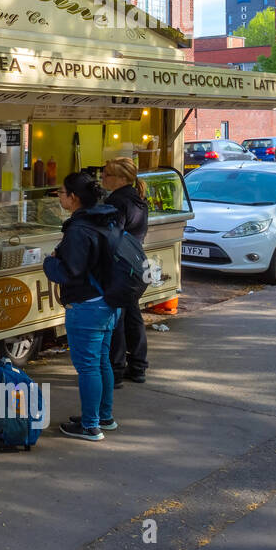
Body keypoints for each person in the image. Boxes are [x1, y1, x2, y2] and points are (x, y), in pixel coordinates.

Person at [43, 172, 121, 441]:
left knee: (88, 367)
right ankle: (103, 416)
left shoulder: (78, 229)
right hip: (109, 301)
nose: (59, 197)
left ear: (74, 197)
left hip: (87, 305)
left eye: (61, 193)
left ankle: (90, 426)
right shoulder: (105, 219)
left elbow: (69, 271)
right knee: (101, 362)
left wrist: (50, 262)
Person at [102, 156, 150, 386]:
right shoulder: (138, 198)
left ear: (121, 179)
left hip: (119, 266)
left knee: (117, 318)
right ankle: (138, 366)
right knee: (132, 314)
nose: (102, 177)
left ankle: (116, 370)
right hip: (136, 265)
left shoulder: (117, 202)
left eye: (107, 174)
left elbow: (112, 235)